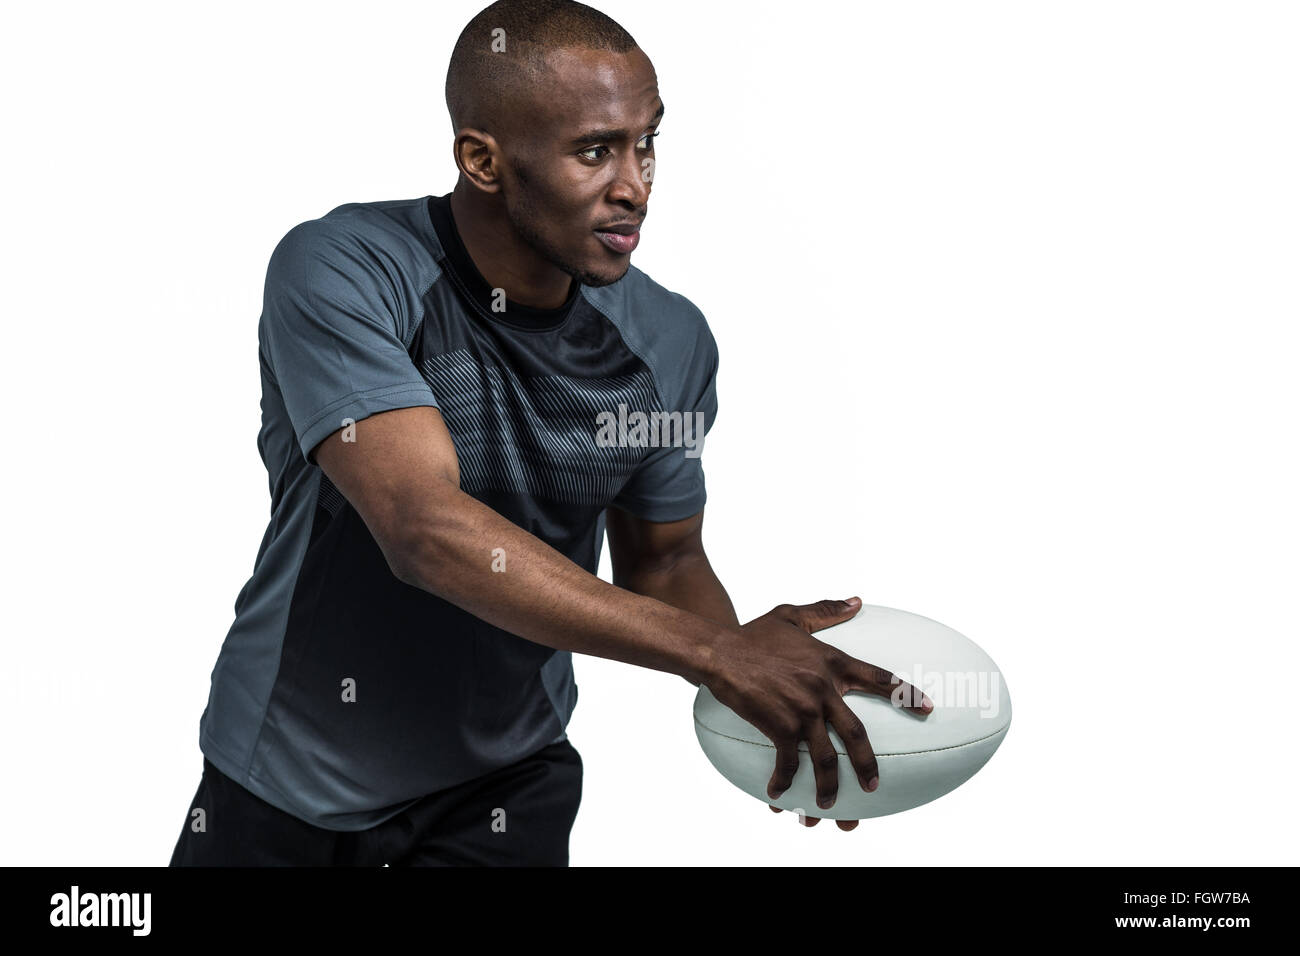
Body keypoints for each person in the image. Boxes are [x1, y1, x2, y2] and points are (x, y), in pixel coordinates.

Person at [170, 0, 931, 867]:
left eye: (648, 142)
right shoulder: (345, 267)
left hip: (510, 780)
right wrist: (718, 653)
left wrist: (773, 709)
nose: (636, 183)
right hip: (296, 774)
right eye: (595, 149)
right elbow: (423, 528)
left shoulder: (670, 340)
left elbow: (666, 561)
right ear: (483, 160)